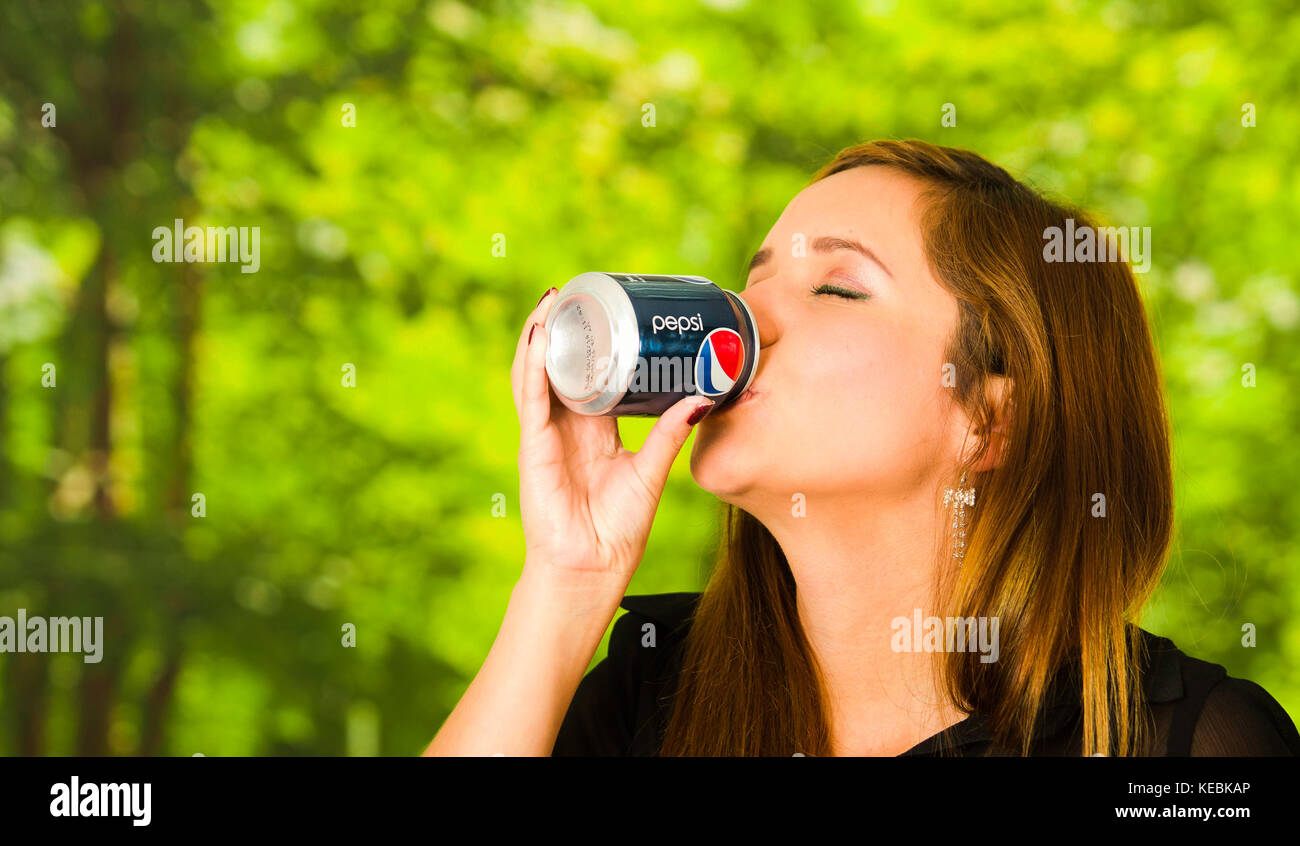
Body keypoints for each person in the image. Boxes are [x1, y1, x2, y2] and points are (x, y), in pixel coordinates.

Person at [425, 139, 1300, 757]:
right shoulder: (651, 694)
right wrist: (565, 584)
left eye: (838, 287)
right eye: (755, 276)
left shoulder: (1181, 747)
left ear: (990, 421)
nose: (745, 316)